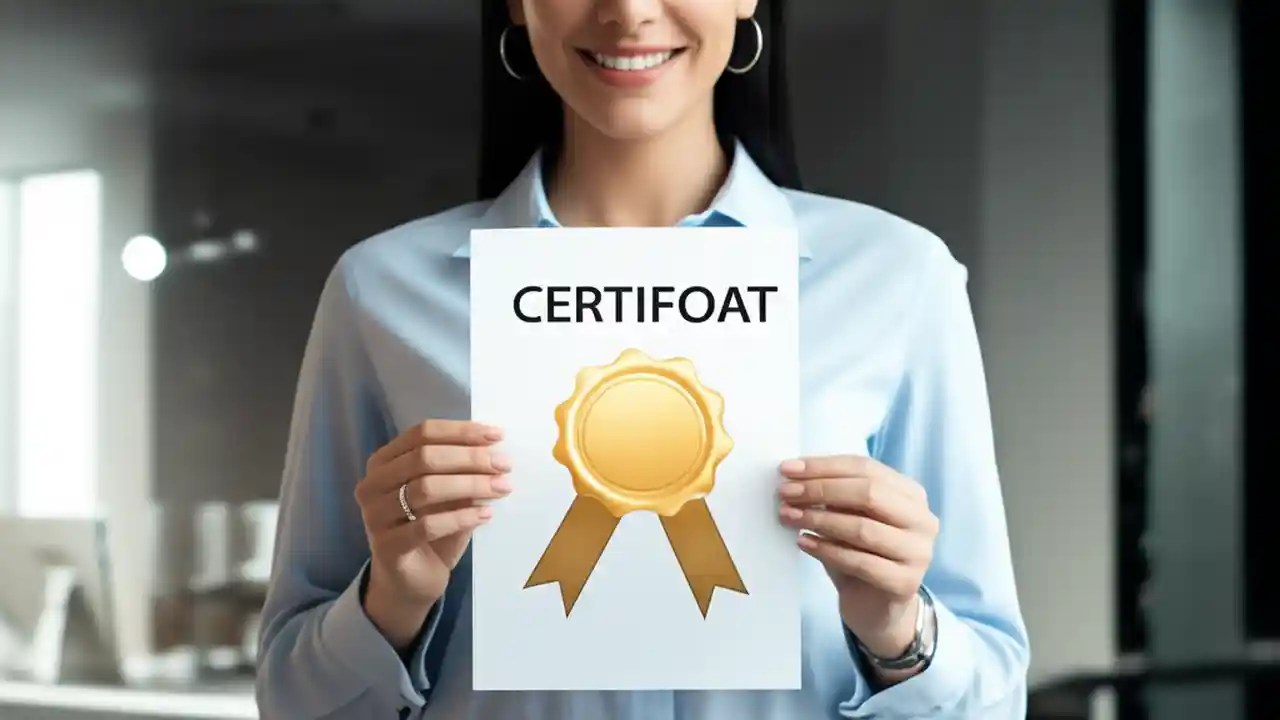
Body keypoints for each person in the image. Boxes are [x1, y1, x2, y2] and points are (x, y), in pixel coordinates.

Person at [255, 0, 1030, 718]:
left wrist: (899, 627)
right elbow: (291, 699)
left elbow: (995, 696)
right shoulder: (381, 291)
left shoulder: (896, 277)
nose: (629, 11)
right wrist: (390, 601)